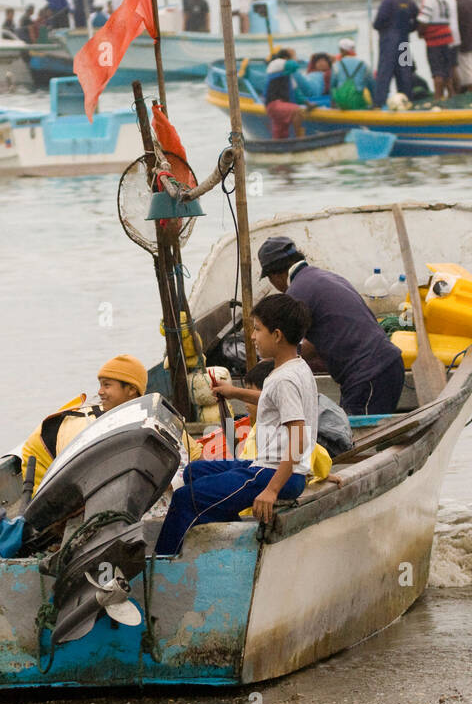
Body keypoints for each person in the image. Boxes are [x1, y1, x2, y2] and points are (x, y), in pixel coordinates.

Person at [154, 294, 316, 556]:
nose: (252, 337)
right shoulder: (297, 368)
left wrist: (271, 490)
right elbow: (273, 401)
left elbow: (299, 437)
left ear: (276, 335)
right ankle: (230, 542)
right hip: (271, 468)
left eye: (257, 329)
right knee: (194, 471)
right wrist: (235, 392)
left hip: (274, 475)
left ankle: (161, 562)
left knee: (186, 499)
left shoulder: (284, 379)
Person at [257, 236, 405, 416]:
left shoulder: (296, 294)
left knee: (358, 439)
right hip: (387, 365)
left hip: (368, 374)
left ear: (275, 274)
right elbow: (313, 343)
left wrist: (269, 366)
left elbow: (286, 348)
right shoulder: (325, 277)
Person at [21, 355, 148, 493]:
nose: (100, 392)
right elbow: (80, 475)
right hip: (44, 475)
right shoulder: (84, 428)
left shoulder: (137, 416)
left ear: (131, 390)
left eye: (107, 385)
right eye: (100, 385)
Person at [372, 0, 418, 106]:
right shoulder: (409, 1)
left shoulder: (387, 1)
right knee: (405, 75)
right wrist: (408, 29)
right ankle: (407, 102)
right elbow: (417, 20)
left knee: (384, 74)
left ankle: (378, 104)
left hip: (389, 45)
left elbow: (378, 22)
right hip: (404, 44)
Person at [416, 0, 460, 99]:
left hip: (434, 40)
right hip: (448, 37)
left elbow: (424, 20)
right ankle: (452, 97)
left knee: (437, 73)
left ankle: (437, 98)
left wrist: (420, 33)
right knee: (448, 71)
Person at [264, 49, 308, 139]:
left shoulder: (289, 76)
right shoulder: (275, 63)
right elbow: (294, 65)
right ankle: (299, 139)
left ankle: (278, 148)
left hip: (283, 105)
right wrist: (293, 59)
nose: (296, 59)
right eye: (294, 56)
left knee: (281, 135)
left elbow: (298, 96)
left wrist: (309, 104)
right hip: (274, 104)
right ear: (285, 58)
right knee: (297, 111)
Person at [330, 38, 374, 109]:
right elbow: (371, 84)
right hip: (358, 101)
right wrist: (374, 104)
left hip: (341, 103)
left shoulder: (336, 65)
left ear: (341, 50)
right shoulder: (364, 65)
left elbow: (332, 86)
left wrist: (332, 104)